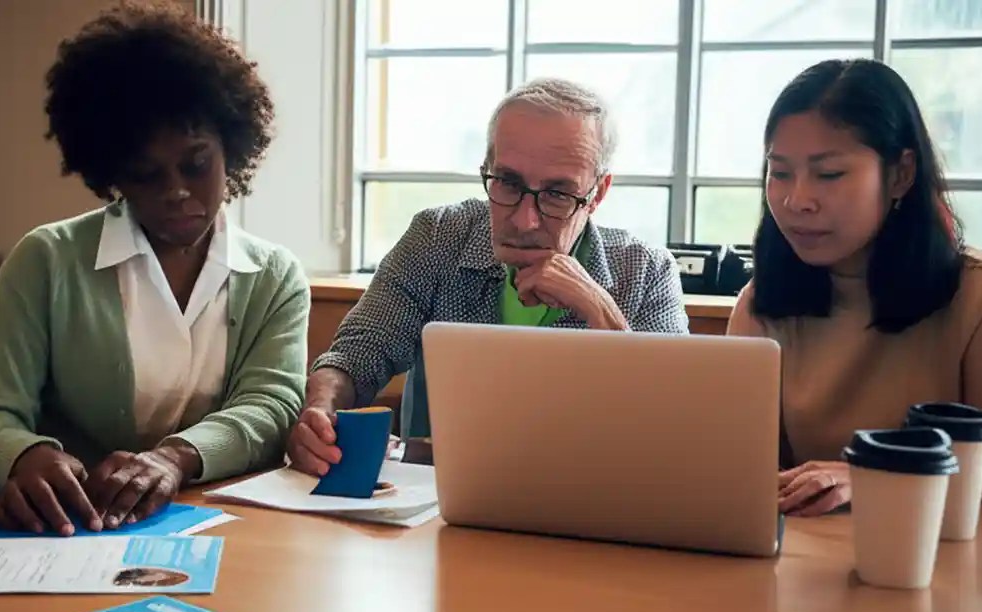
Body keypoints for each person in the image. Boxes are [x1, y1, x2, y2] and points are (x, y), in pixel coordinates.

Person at [0, 1, 308, 534]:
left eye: (196, 163)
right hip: (50, 538)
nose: (177, 191)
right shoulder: (46, 261)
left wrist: (173, 458)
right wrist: (23, 457)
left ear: (232, 145)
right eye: (145, 174)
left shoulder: (272, 276)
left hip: (202, 539)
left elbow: (272, 407)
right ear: (112, 173)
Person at [288, 78, 689, 476]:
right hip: (441, 500)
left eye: (557, 195)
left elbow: (676, 431)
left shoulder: (645, 272)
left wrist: (603, 315)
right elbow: (357, 355)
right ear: (488, 170)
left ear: (598, 194)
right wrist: (321, 409)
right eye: (508, 184)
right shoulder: (438, 239)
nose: (525, 219)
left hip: (596, 502)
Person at [727, 58, 982, 517]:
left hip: (947, 555)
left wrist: (873, 475)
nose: (797, 200)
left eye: (829, 174)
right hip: (806, 554)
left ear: (900, 174)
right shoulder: (762, 302)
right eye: (780, 173)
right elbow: (740, 461)